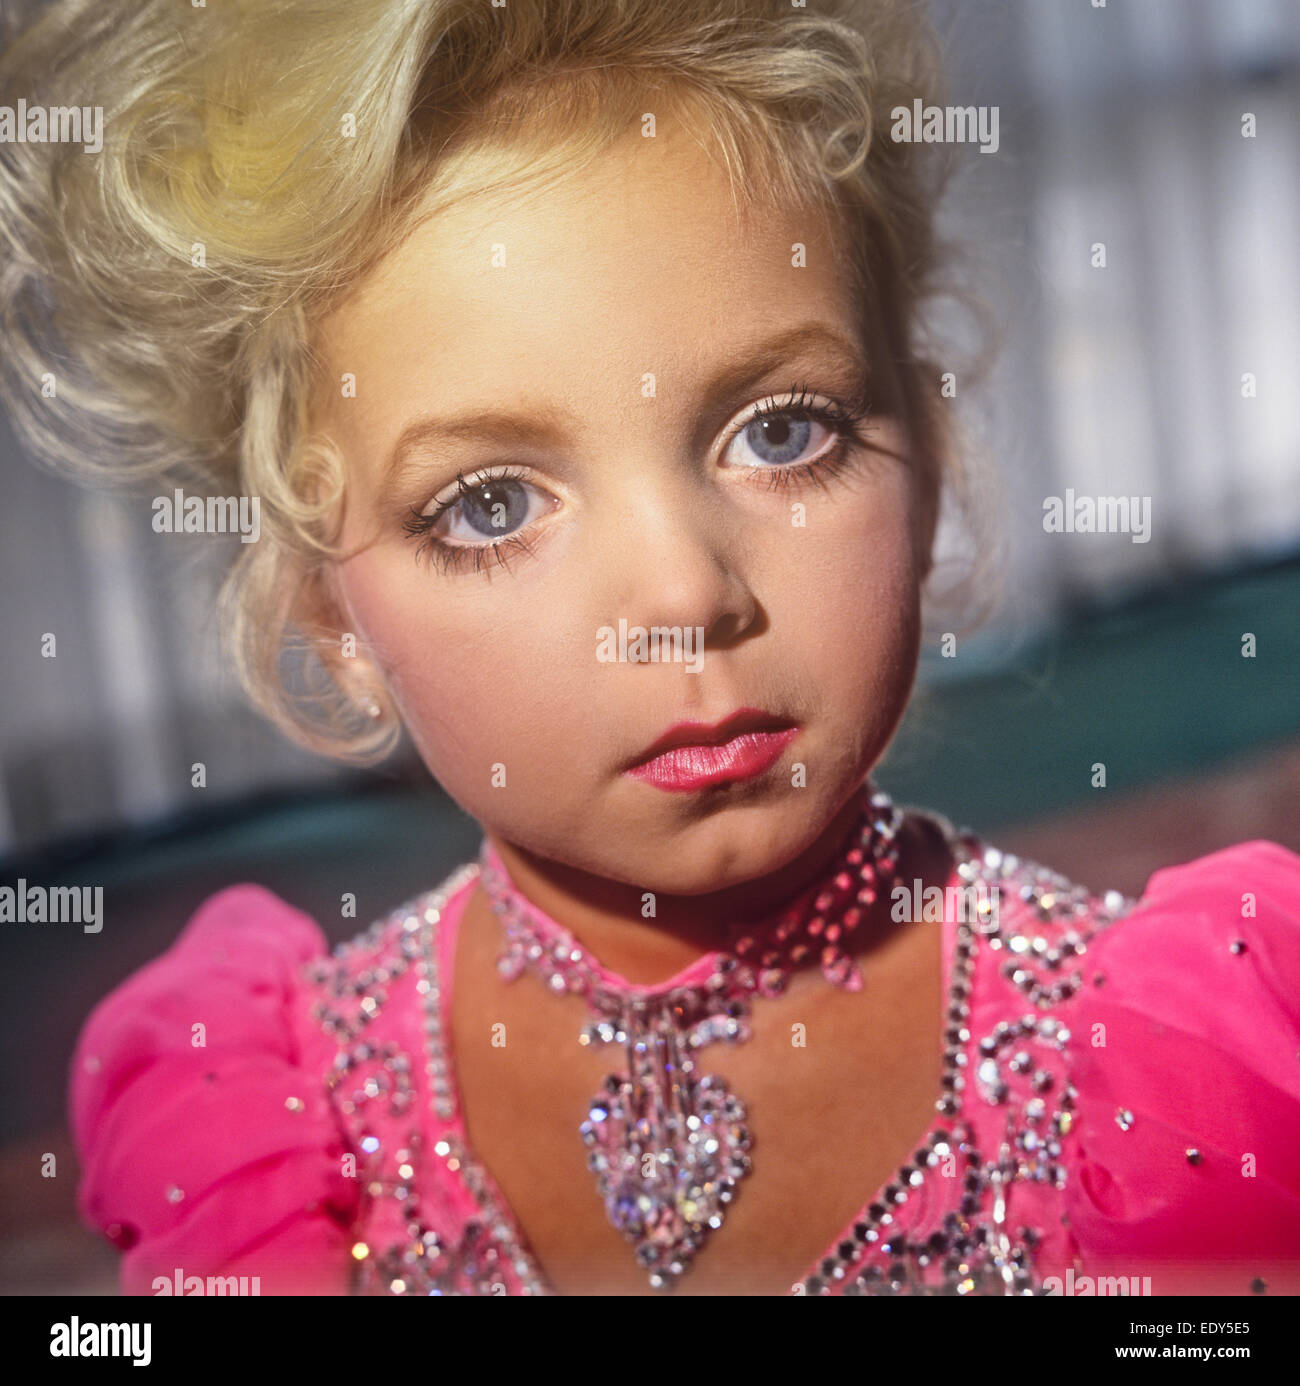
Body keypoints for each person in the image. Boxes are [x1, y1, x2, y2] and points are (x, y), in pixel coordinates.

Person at [2, 0, 1296, 1296]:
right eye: (490, 505)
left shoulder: (1184, 1085)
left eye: (782, 432)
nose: (684, 595)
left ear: (930, 465)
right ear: (328, 618)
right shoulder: (262, 1127)